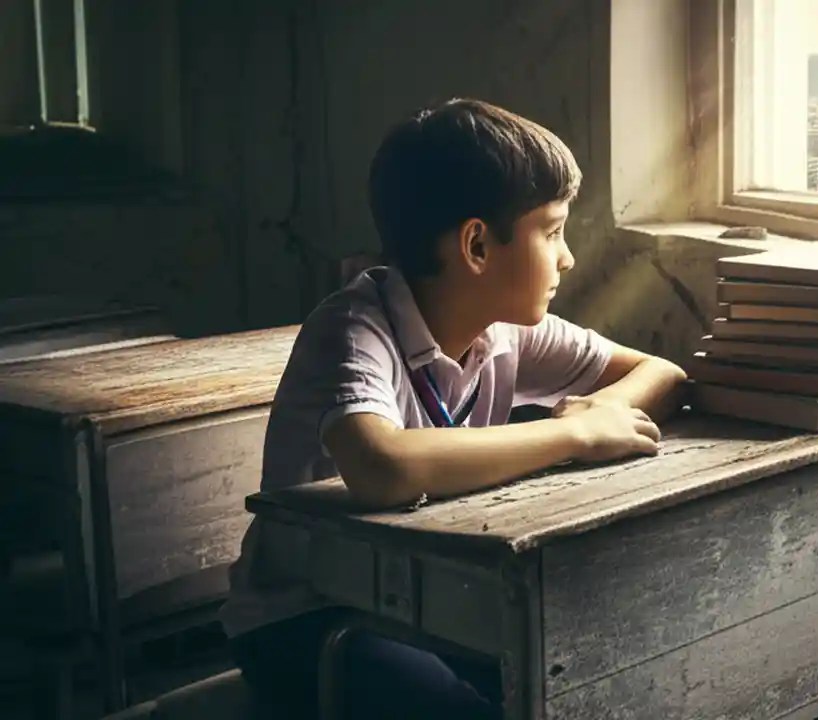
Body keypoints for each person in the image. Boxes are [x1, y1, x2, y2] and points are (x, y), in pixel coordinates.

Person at [219, 98, 688, 718]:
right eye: (551, 232)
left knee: (593, 672)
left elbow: (662, 373)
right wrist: (573, 437)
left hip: (429, 600)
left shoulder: (504, 330)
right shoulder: (354, 327)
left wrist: (595, 416)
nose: (567, 256)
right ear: (475, 246)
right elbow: (380, 465)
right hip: (310, 619)